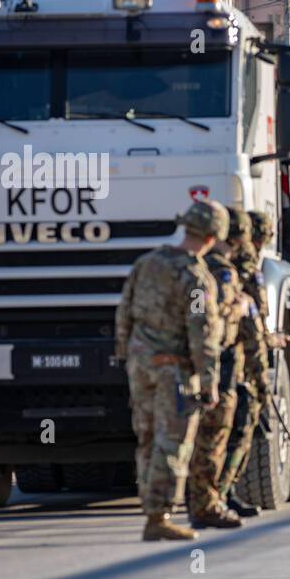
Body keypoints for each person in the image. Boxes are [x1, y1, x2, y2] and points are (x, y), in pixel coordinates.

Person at [115, 200, 226, 541]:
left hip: (141, 366)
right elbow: (201, 331)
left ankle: (151, 508)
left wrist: (127, 354)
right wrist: (209, 381)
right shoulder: (195, 277)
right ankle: (158, 515)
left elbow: (125, 312)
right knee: (172, 442)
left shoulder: (146, 264)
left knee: (147, 438)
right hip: (172, 371)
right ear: (211, 236)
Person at [185, 208, 257, 528]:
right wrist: (240, 307)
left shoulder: (189, 267)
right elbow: (215, 320)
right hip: (219, 361)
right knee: (215, 435)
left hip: (205, 361)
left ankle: (212, 499)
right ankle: (207, 503)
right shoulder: (220, 270)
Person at [219, 209, 272, 512]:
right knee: (239, 424)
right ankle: (220, 494)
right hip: (234, 357)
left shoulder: (204, 264)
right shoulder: (246, 264)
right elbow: (253, 318)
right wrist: (262, 377)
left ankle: (211, 496)